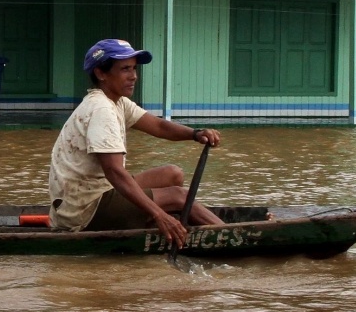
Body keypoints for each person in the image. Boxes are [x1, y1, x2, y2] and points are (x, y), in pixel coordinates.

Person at [49, 38, 224, 248]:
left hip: (95, 193)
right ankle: (231, 236)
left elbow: (159, 127)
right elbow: (115, 172)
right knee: (179, 197)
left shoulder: (117, 102)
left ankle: (148, 219)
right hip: (84, 210)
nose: (133, 76)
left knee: (172, 174)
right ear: (100, 73)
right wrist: (159, 214)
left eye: (133, 68)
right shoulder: (101, 109)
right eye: (125, 69)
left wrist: (195, 134)